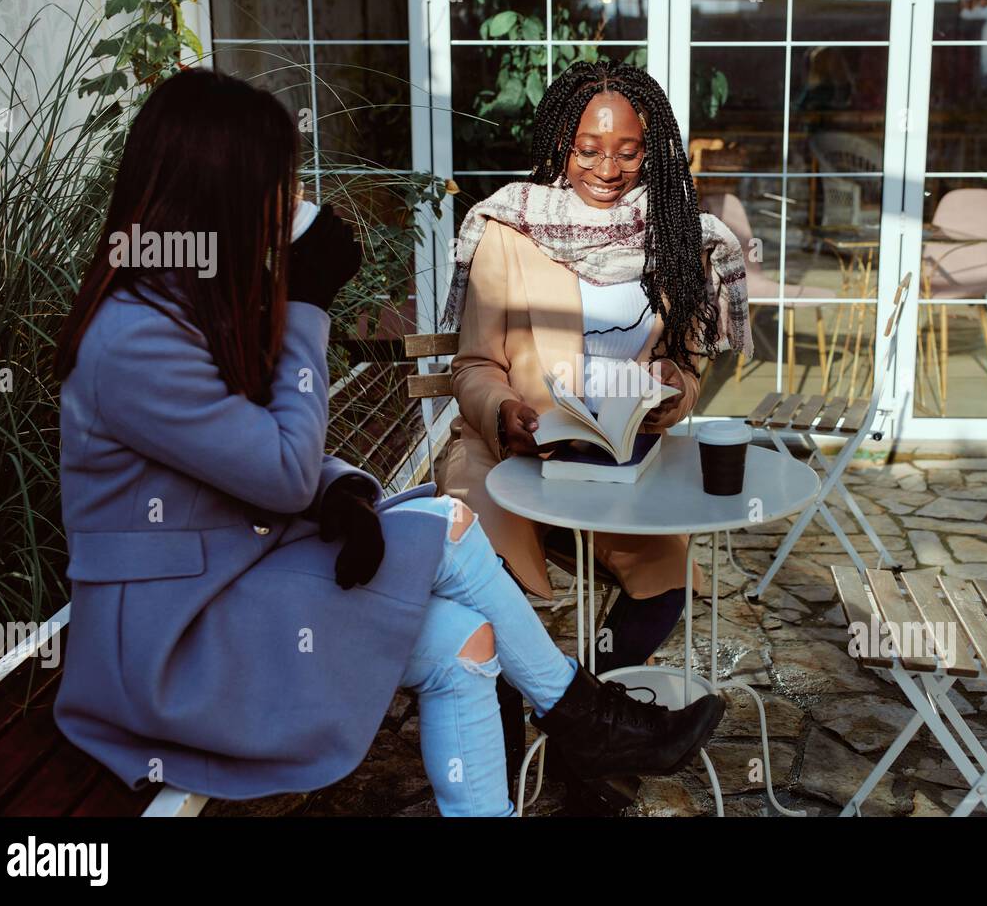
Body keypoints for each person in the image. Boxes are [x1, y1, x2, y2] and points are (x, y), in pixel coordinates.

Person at [51, 68, 725, 817]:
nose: (295, 201)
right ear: (219, 192)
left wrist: (338, 486)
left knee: (465, 641)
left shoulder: (189, 306)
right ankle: (584, 718)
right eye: (281, 182)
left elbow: (243, 449)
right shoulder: (136, 339)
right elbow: (278, 469)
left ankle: (574, 725)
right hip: (171, 644)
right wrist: (305, 305)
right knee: (450, 524)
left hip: (232, 585)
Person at [435, 58, 751, 810]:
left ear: (653, 149)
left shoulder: (673, 235)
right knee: (490, 585)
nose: (607, 168)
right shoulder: (509, 227)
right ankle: (534, 747)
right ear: (559, 145)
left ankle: (581, 722)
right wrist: (502, 410)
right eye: (587, 148)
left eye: (628, 150)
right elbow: (474, 365)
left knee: (664, 588)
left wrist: (676, 390)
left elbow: (682, 361)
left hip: (617, 459)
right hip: (509, 453)